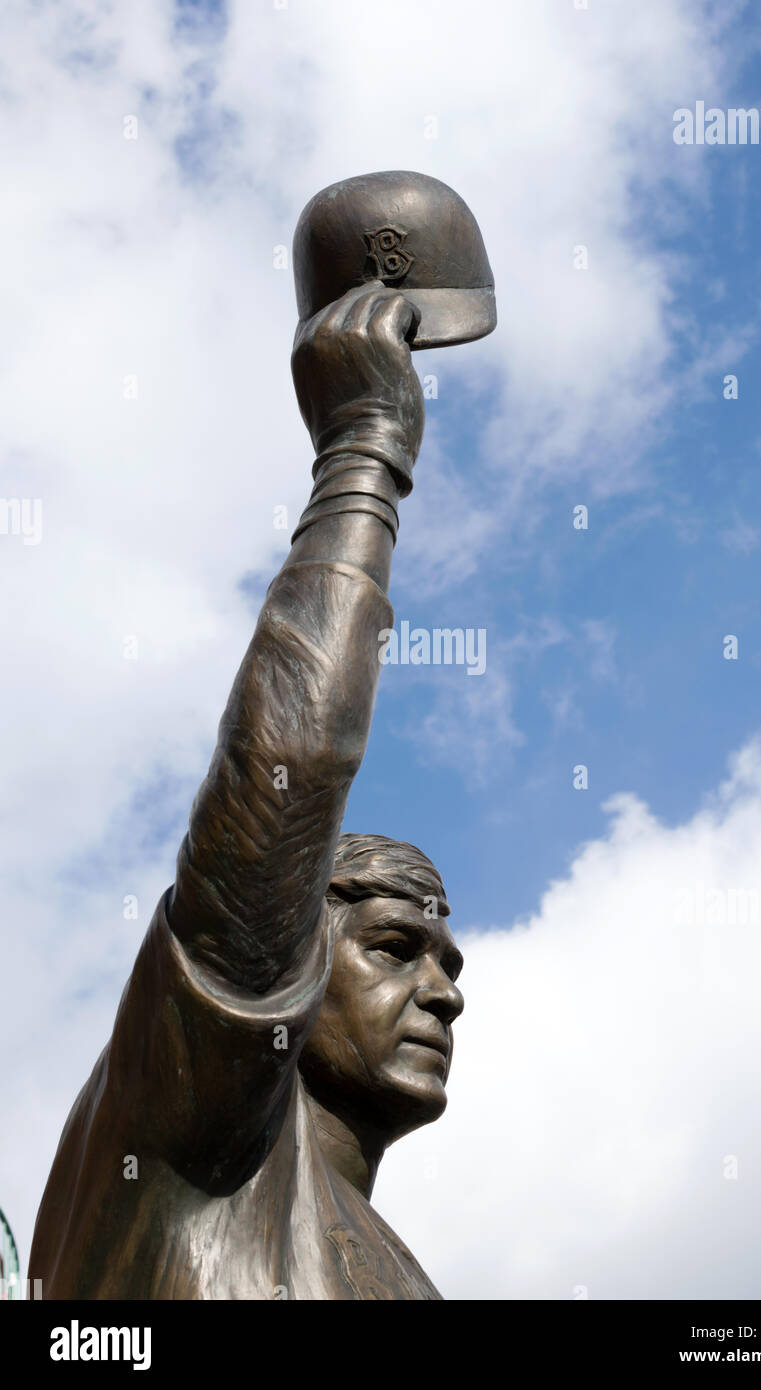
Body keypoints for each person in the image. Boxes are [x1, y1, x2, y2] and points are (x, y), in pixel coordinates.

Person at [30, 283, 464, 1300]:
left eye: (444, 961)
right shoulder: (197, 1135)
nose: (446, 992)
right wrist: (364, 456)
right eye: (396, 948)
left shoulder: (406, 1274)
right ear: (299, 957)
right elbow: (288, 776)